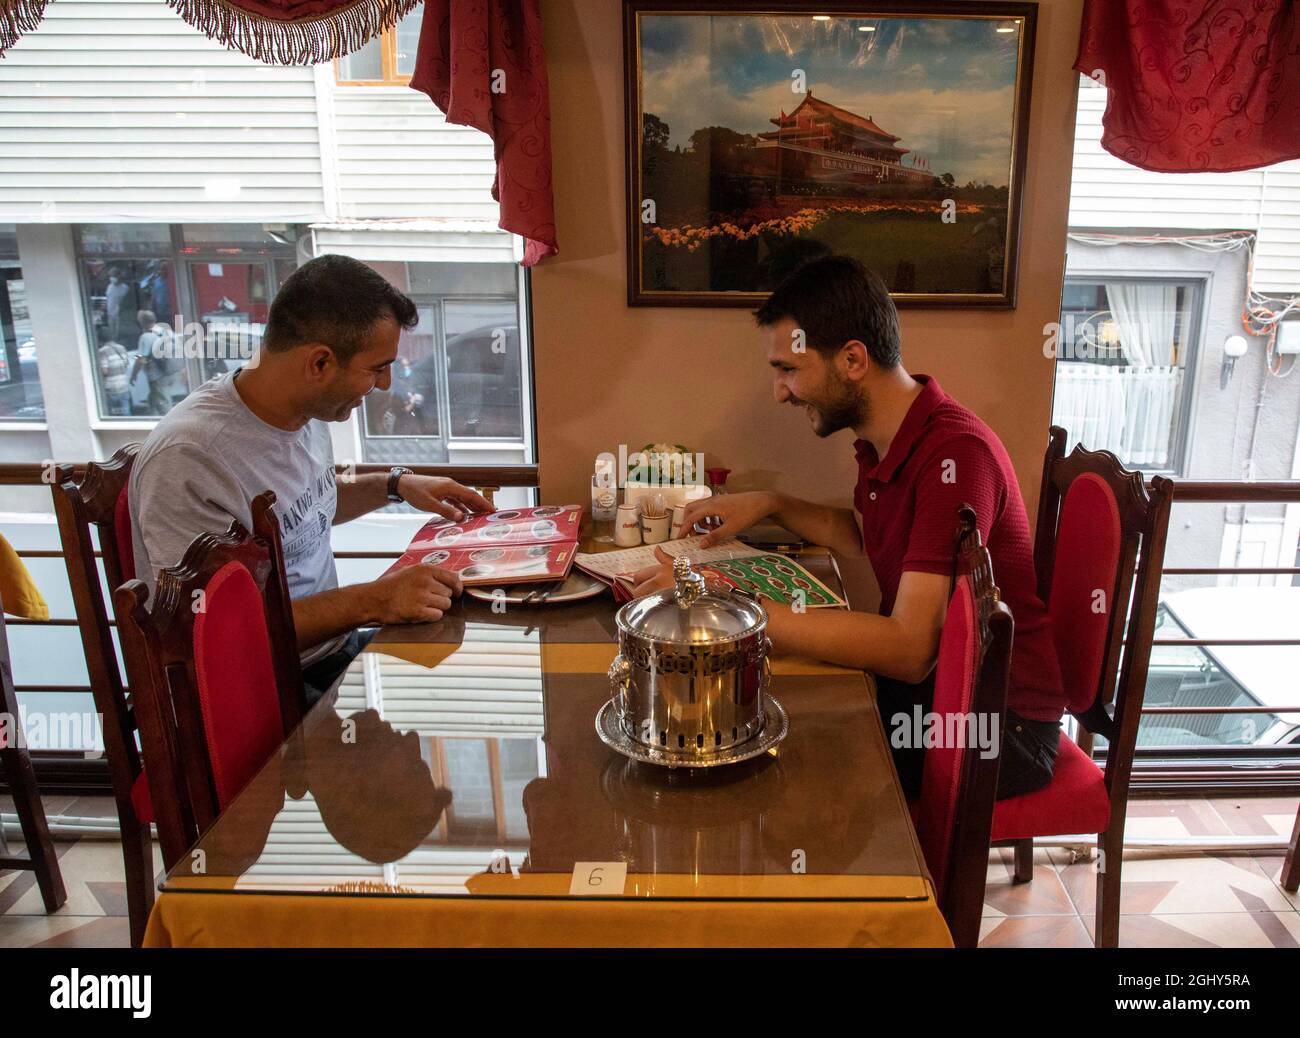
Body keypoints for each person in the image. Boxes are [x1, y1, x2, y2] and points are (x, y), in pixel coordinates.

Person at [631, 256, 1066, 800]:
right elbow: (868, 536)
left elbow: (910, 651)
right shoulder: (888, 436)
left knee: (788, 761)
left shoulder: (955, 456)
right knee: (779, 712)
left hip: (997, 726)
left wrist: (731, 606)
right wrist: (771, 503)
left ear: (853, 359)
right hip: (939, 692)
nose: (781, 392)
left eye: (789, 369)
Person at [129, 254, 493, 702]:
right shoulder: (190, 457)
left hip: (327, 653)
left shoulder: (306, 410)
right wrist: (374, 600)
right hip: (254, 690)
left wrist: (395, 485)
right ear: (319, 363)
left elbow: (304, 510)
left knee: (472, 674)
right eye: (376, 367)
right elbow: (214, 633)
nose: (383, 385)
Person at [132, 309, 187, 416]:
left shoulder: (146, 337)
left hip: (157, 375)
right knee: (153, 398)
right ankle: (152, 419)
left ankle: (170, 427)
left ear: (142, 322)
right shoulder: (167, 331)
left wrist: (134, 374)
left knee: (164, 403)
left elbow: (140, 359)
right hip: (171, 370)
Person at [95, 326, 133, 416]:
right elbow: (126, 364)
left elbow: (104, 371)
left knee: (113, 417)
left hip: (111, 390)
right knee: (126, 415)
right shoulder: (122, 348)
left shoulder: (102, 351)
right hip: (123, 386)